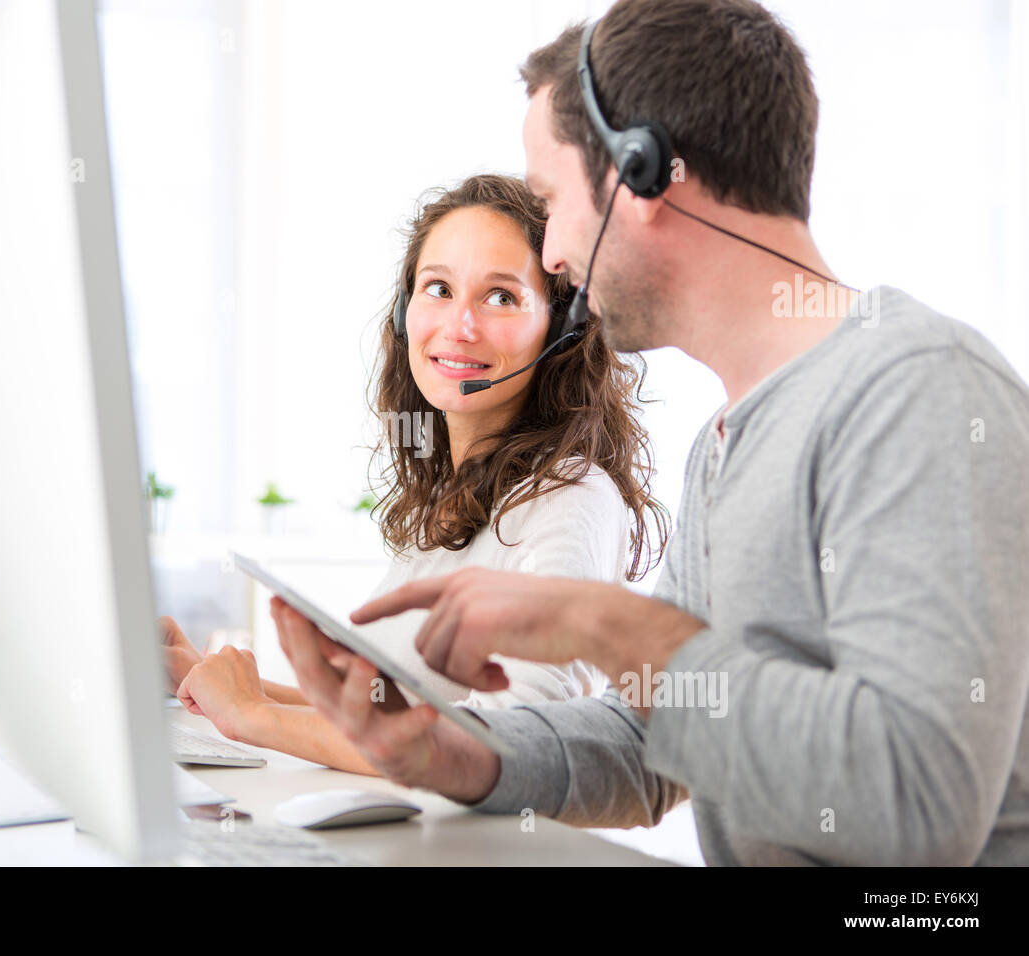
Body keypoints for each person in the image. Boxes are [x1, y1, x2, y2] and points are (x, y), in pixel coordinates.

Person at [272, 0, 1029, 865]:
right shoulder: (725, 443)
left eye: (552, 201)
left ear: (643, 175)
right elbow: (653, 750)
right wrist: (454, 752)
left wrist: (609, 625)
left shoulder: (916, 389)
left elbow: (920, 807)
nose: (553, 252)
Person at [161, 173, 668, 774]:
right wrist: (216, 682)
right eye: (438, 288)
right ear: (405, 314)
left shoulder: (568, 497)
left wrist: (255, 718)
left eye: (501, 296)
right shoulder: (459, 499)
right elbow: (403, 716)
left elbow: (508, 738)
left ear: (560, 333)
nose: (460, 326)